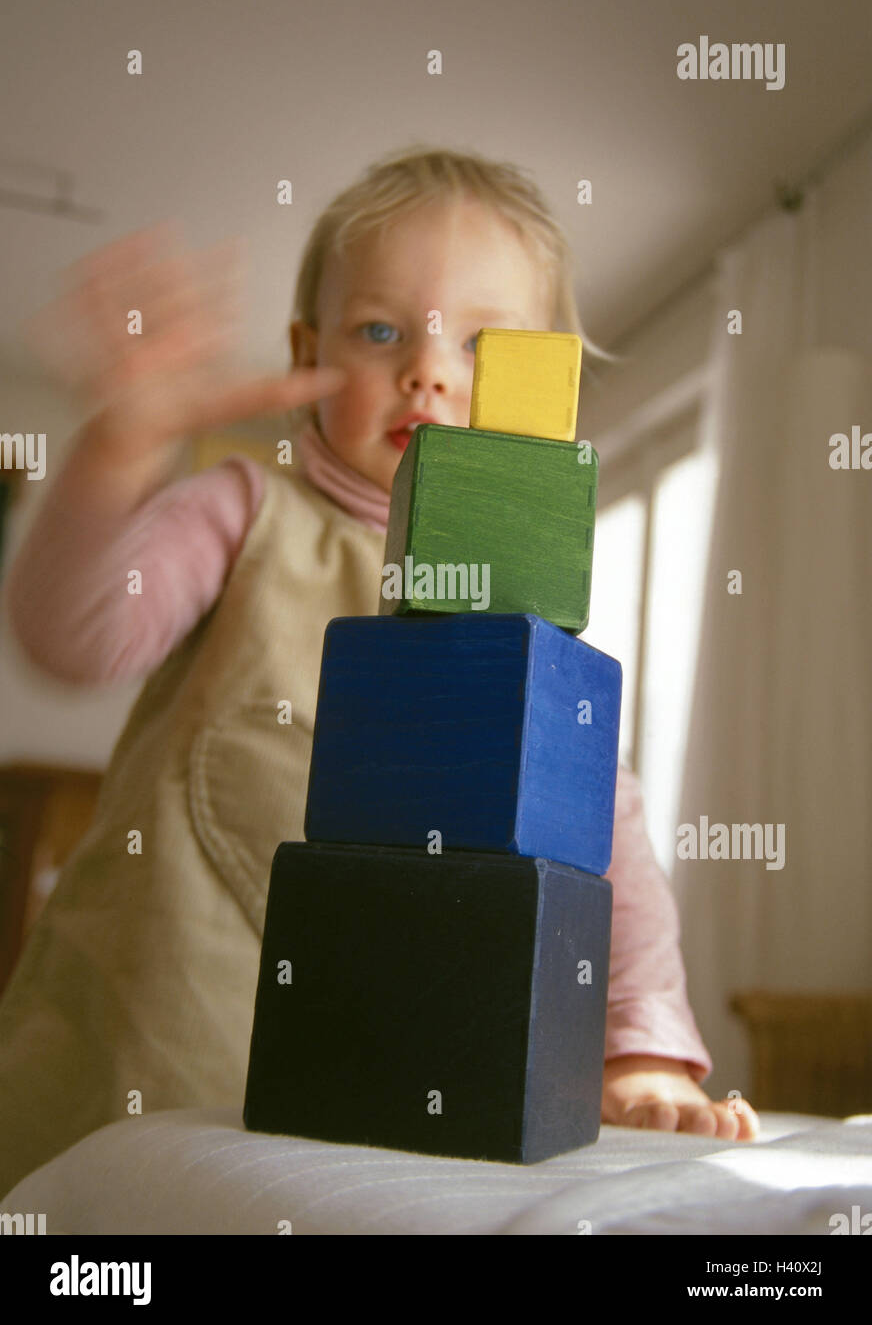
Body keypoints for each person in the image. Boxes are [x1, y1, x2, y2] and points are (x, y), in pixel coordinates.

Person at [0, 146, 758, 1197]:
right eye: (379, 330)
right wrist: (118, 450)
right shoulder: (245, 509)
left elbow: (606, 847)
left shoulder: (532, 615)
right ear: (307, 351)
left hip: (381, 1104)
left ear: (548, 384)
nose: (429, 368)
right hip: (152, 1043)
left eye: (482, 341)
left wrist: (640, 1045)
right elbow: (73, 634)